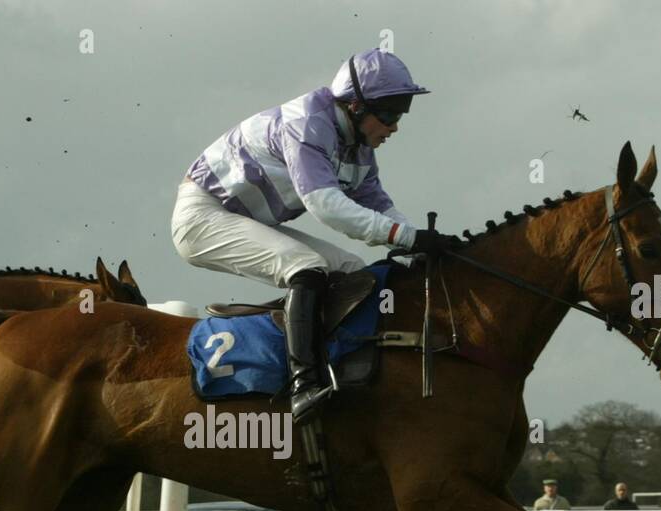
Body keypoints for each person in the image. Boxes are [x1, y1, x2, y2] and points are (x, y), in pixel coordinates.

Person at [172, 48, 455, 422]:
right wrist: (407, 239)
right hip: (202, 217)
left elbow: (378, 206)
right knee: (306, 266)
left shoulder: (358, 148)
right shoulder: (307, 123)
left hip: (245, 219)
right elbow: (326, 205)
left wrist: (419, 246)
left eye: (400, 115)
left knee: (354, 273)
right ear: (355, 107)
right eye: (388, 115)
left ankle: (337, 370)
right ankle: (303, 384)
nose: (394, 127)